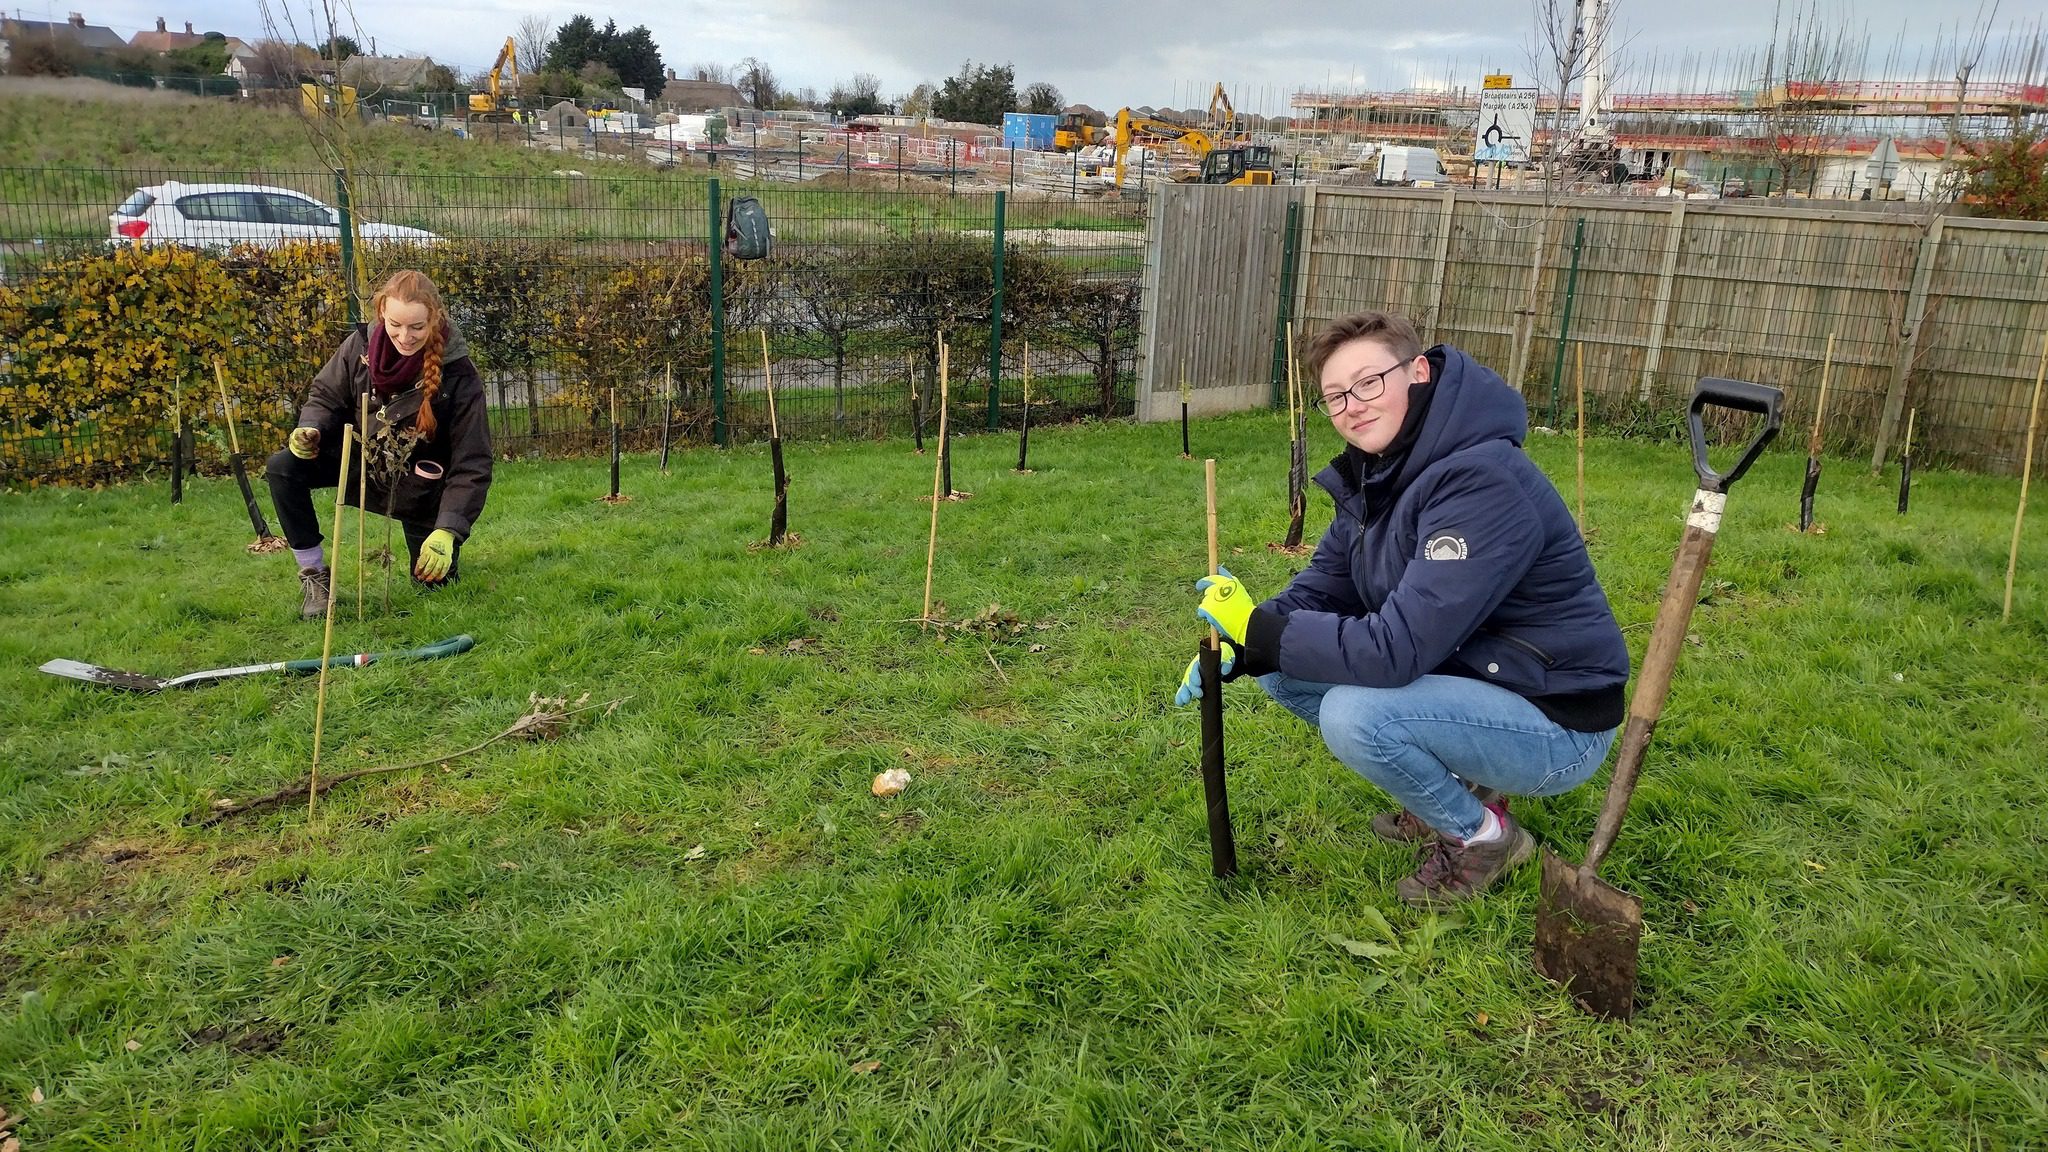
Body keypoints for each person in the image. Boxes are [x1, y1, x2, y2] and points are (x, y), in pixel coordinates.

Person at [1175, 310, 1629, 909]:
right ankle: (1458, 789)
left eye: (1368, 382)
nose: (1352, 406)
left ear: (1418, 372)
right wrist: (1245, 643)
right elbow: (1324, 586)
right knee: (1281, 670)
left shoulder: (1481, 481)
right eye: (1335, 396)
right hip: (1477, 675)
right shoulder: (1382, 473)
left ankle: (1483, 837)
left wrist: (1262, 631)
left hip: (1554, 719)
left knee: (1356, 715)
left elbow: (1397, 650)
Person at [266, 270, 493, 618]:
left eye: (417, 327)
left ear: (434, 318)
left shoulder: (459, 374)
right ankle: (314, 575)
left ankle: (434, 544)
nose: (405, 337)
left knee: (435, 587)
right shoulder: (359, 346)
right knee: (283, 467)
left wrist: (448, 529)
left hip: (420, 486)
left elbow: (472, 461)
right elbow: (325, 395)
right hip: (361, 463)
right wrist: (310, 428)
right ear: (382, 312)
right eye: (395, 325)